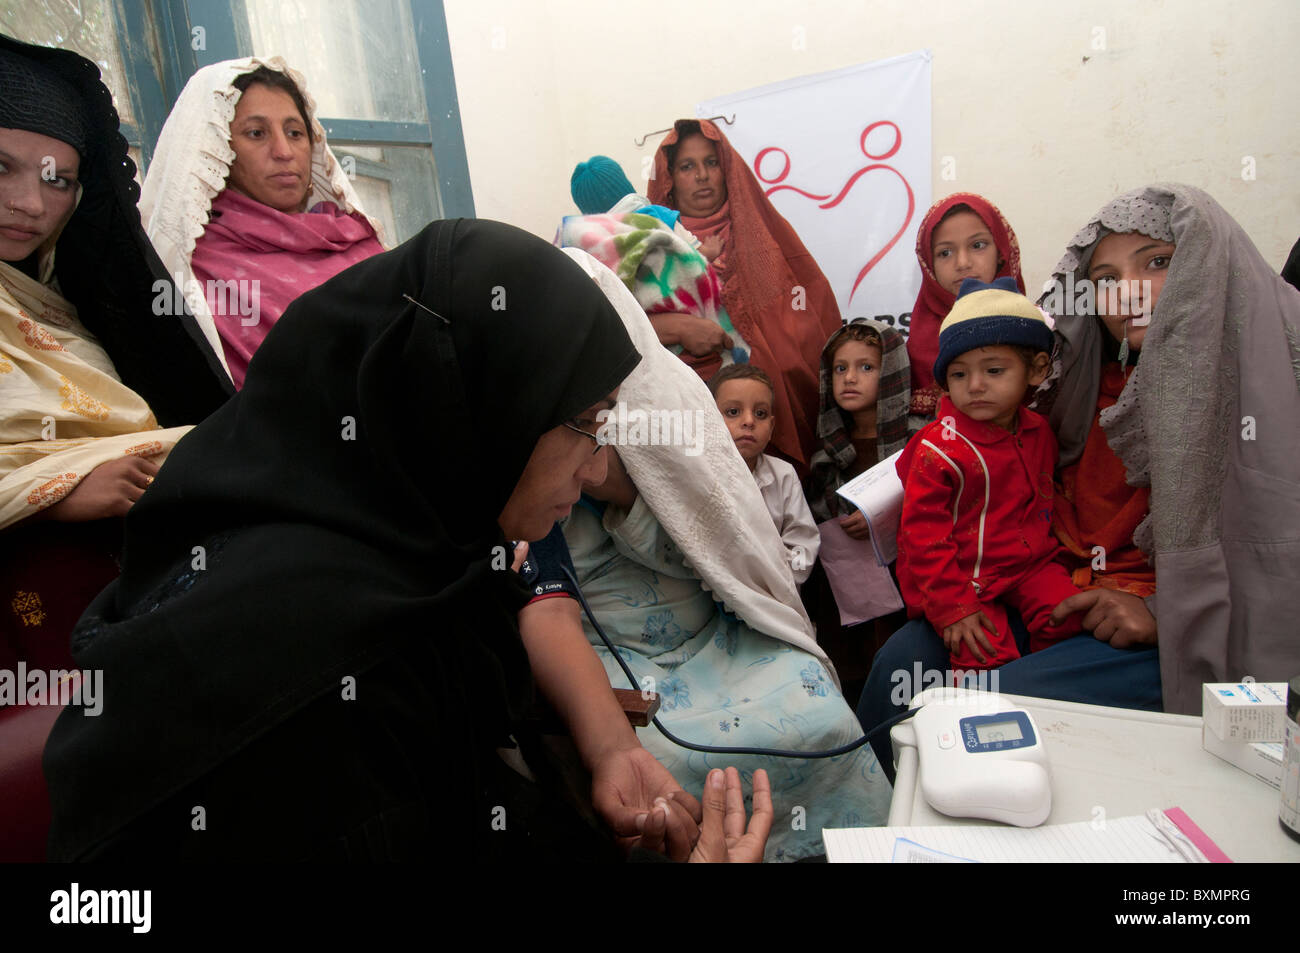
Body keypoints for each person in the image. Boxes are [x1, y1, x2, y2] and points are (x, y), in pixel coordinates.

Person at [43, 219, 743, 862]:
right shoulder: (324, 677)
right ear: (480, 406)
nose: (595, 467)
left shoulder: (418, 560)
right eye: (586, 423)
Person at [858, 184, 1300, 773]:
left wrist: (1165, 613)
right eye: (1107, 277)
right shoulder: (1078, 387)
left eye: (1157, 262)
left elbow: (1274, 561)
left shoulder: (1268, 387)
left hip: (1166, 628)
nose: (1130, 292)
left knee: (973, 710)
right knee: (898, 666)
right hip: (1054, 585)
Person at [530, 248, 890, 862]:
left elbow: (717, 551)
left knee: (823, 719)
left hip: (717, 633)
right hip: (620, 655)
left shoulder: (670, 413)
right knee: (668, 765)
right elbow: (546, 604)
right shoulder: (528, 450)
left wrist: (620, 484)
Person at [0, 36, 230, 648]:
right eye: (0, 167)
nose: (29, 204)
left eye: (60, 180)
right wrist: (54, 496)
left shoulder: (57, 306)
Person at [140, 57, 386, 388]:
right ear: (218, 151)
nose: (284, 151)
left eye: (295, 133)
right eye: (256, 133)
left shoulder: (356, 241)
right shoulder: (194, 272)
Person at [895, 278, 1081, 673]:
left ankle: (1054, 708)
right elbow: (922, 536)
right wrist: (954, 607)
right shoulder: (939, 448)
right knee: (983, 656)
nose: (975, 386)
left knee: (1068, 619)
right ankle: (982, 727)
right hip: (963, 578)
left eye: (993, 370)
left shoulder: (1038, 431)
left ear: (1037, 369)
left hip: (1028, 566)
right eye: (959, 375)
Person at [648, 119, 843, 475]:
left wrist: (773, 353)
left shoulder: (767, 237)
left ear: (728, 170)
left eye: (711, 162)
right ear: (669, 180)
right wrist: (677, 327)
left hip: (768, 422)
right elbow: (623, 327)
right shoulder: (650, 247)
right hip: (684, 425)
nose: (702, 175)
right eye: (687, 167)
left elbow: (812, 318)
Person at [906, 193, 1025, 423]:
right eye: (945, 253)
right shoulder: (911, 351)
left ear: (1001, 253)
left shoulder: (1031, 328)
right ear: (929, 264)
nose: (962, 263)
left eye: (978, 245)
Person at [709, 363, 818, 584]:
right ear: (709, 417)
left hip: (775, 592)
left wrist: (774, 576)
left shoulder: (783, 475)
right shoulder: (699, 473)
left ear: (772, 425)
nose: (749, 421)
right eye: (733, 412)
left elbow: (804, 547)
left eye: (760, 413)